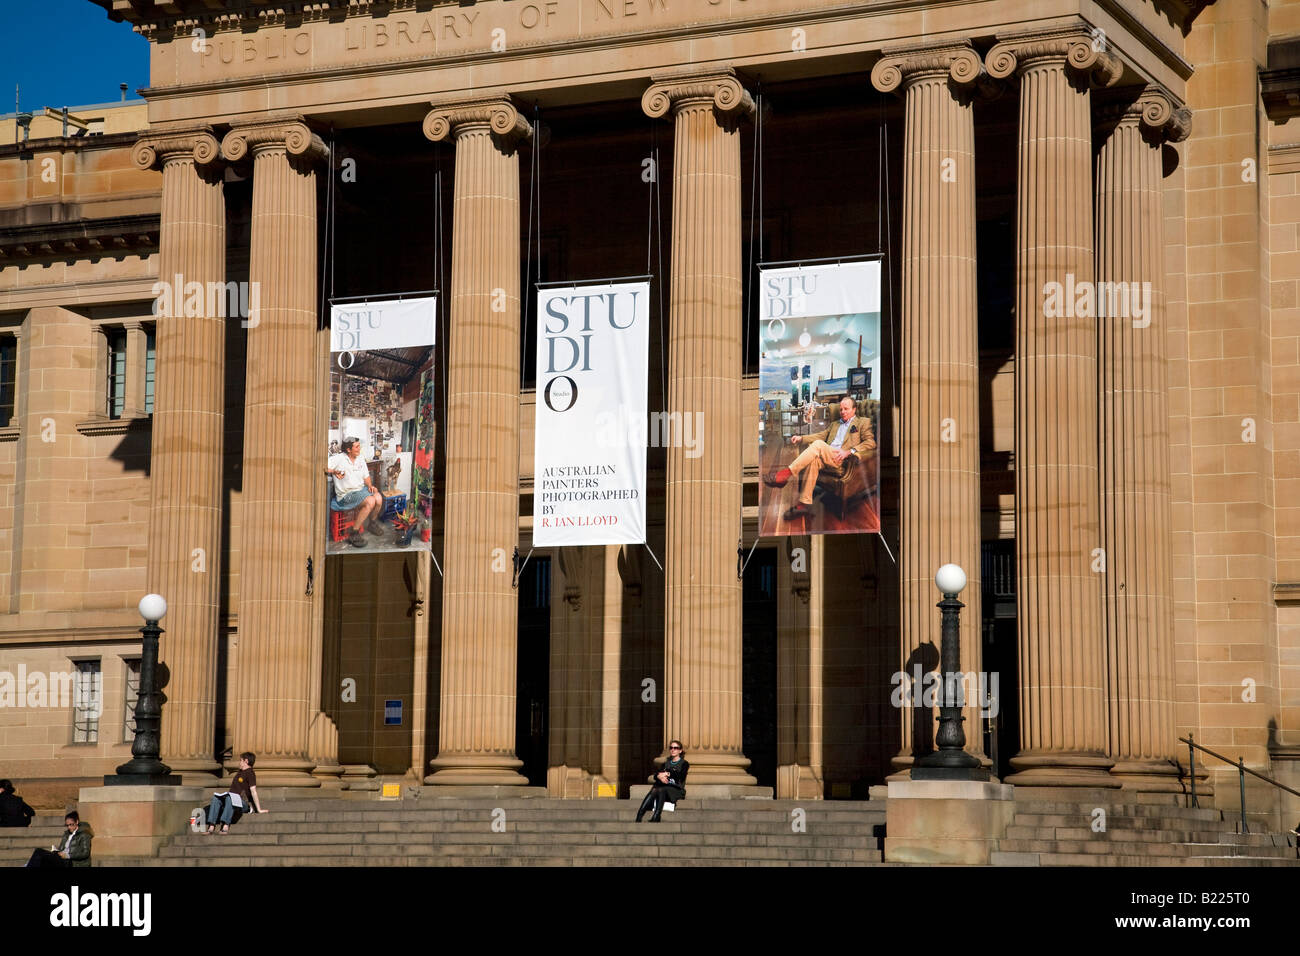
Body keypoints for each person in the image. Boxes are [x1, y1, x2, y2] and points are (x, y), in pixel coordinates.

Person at [763, 395, 876, 521]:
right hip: (828, 455)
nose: (842, 412)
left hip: (843, 459)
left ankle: (785, 474)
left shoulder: (862, 422)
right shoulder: (835, 424)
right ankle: (803, 504)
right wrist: (801, 438)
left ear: (854, 410)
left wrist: (849, 451)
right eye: (841, 409)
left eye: (846, 409)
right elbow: (821, 435)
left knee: (818, 445)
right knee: (814, 460)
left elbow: (871, 443)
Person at [325, 437, 384, 547]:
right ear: (348, 449)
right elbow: (323, 466)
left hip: (360, 490)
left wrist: (370, 486)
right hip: (345, 495)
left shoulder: (360, 458)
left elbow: (366, 476)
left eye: (359, 446)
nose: (359, 448)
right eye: (356, 446)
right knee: (370, 501)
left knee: (378, 498)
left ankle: (372, 523)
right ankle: (354, 533)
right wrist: (333, 471)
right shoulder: (339, 458)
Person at [206, 752, 265, 834]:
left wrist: (258, 809)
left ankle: (226, 825)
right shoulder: (240, 772)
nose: (239, 762)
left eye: (241, 760)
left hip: (242, 803)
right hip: (231, 800)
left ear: (246, 761)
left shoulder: (250, 773)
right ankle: (211, 826)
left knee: (230, 798)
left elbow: (253, 791)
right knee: (216, 798)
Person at [635, 740, 689, 823]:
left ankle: (656, 815)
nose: (673, 750)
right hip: (664, 787)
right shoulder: (666, 763)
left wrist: (668, 773)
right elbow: (656, 774)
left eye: (675, 748)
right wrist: (659, 776)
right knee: (655, 789)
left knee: (660, 789)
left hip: (676, 789)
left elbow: (681, 777)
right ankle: (640, 814)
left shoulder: (684, 764)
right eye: (671, 748)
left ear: (680, 751)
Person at [25, 811, 91, 867]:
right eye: (67, 825)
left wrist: (68, 855)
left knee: (39, 852)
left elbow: (85, 853)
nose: (69, 827)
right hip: (63, 859)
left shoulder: (84, 835)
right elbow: (62, 849)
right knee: (42, 859)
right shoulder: (66, 834)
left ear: (77, 822)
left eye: (71, 824)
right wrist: (56, 851)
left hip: (73, 862)